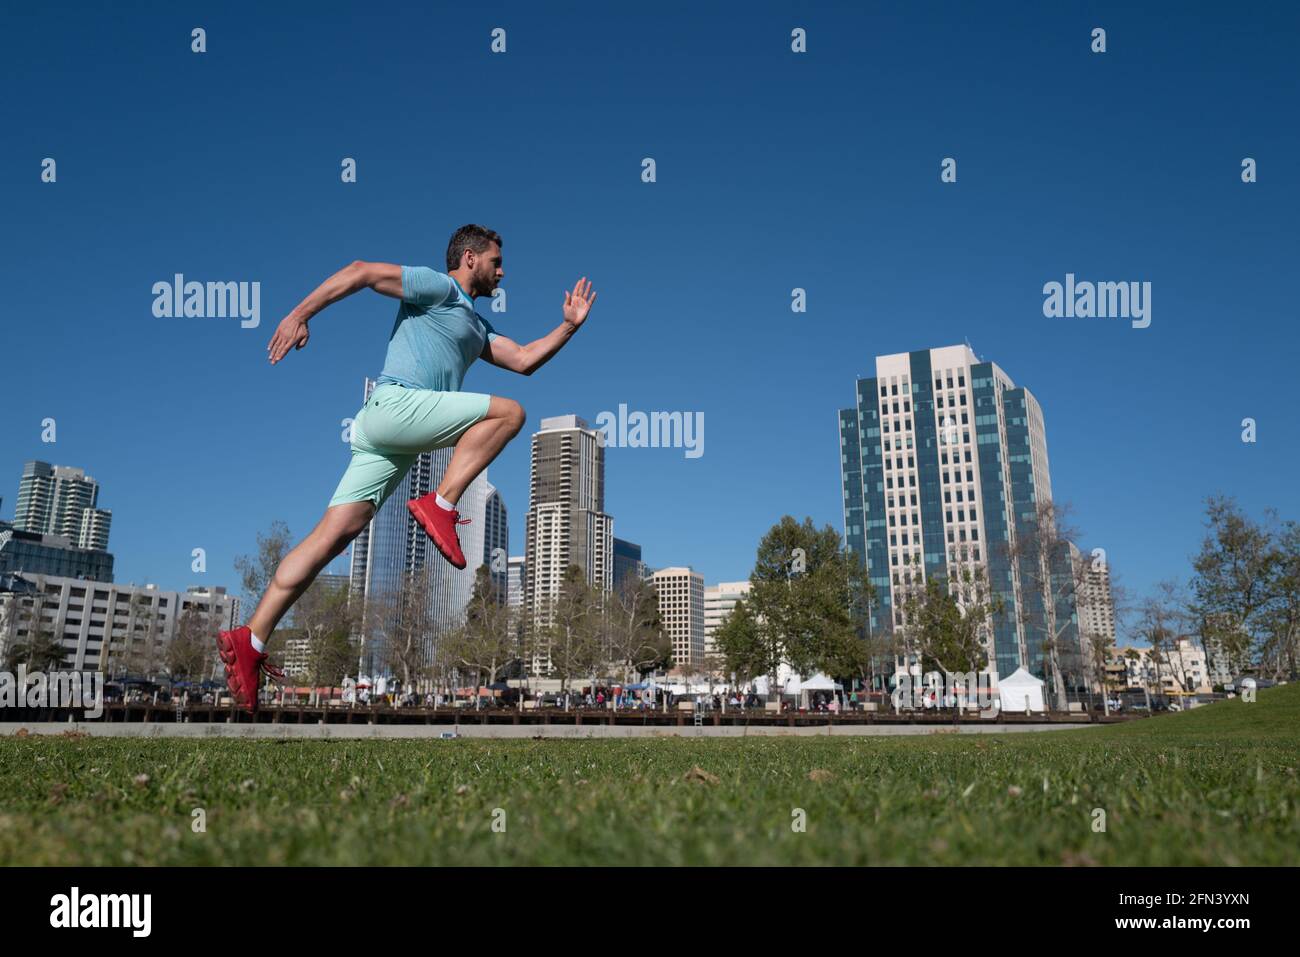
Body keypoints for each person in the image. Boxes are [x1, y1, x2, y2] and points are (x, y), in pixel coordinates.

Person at [215, 225, 597, 712]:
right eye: (496, 261)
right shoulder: (437, 287)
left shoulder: (477, 327)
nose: (503, 272)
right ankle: (440, 503)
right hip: (395, 405)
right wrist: (298, 314)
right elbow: (361, 272)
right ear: (468, 258)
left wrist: (569, 326)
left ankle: (251, 638)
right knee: (511, 414)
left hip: (387, 437)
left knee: (333, 536)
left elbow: (523, 359)